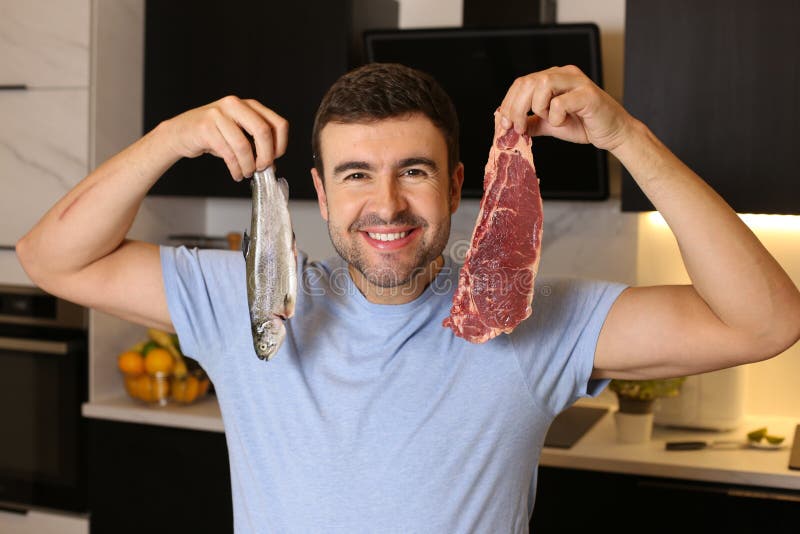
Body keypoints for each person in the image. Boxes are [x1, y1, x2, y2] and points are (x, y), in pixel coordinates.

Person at [16, 62, 800, 533]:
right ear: (320, 196)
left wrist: (627, 135)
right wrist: (170, 138)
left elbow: (765, 320)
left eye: (414, 171)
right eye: (357, 174)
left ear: (458, 185)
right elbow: (50, 259)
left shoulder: (530, 315)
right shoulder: (244, 298)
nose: (386, 204)